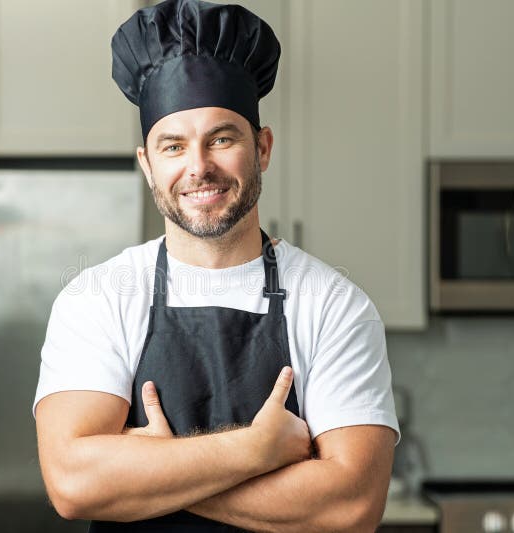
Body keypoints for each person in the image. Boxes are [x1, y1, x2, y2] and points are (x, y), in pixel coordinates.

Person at [33, 0, 399, 531]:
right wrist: (254, 450)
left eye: (222, 139)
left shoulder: (334, 304)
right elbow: (73, 484)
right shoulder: (99, 297)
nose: (198, 166)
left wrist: (152, 472)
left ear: (263, 147)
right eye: (173, 145)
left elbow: (351, 505)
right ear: (148, 165)